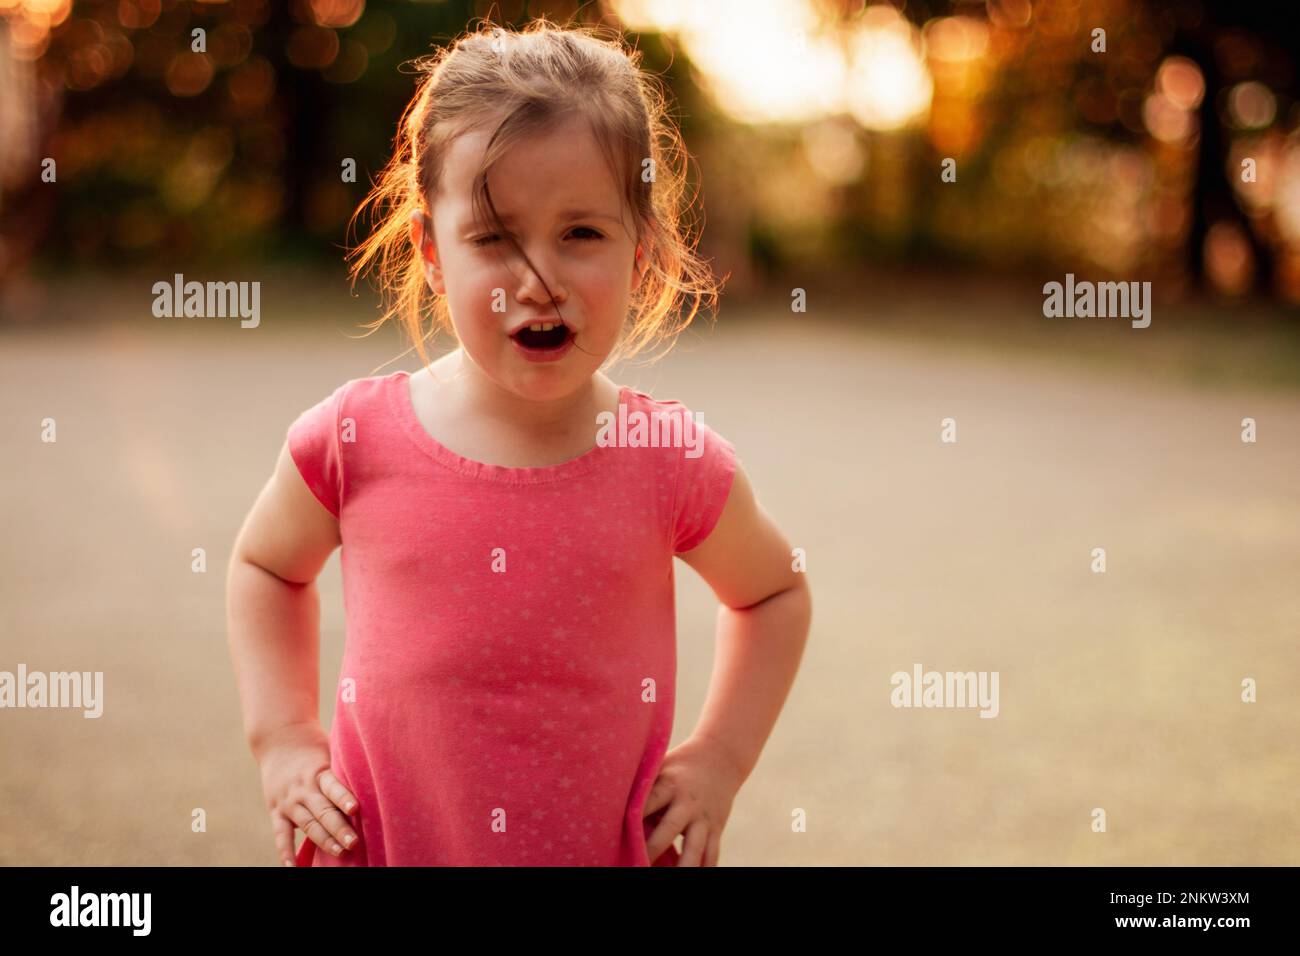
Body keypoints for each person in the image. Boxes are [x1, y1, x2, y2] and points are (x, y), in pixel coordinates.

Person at [226, 19, 811, 867]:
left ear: (641, 250)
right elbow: (265, 567)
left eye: (581, 233)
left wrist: (720, 758)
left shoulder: (668, 456)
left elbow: (775, 594)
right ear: (431, 250)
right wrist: (281, 737)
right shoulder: (352, 439)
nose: (539, 281)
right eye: (495, 237)